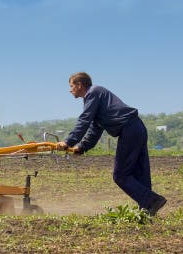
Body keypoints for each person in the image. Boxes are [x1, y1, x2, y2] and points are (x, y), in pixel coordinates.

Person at [57, 72, 167, 216]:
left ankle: (152, 201)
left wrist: (68, 141)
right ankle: (147, 211)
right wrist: (82, 147)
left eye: (71, 86)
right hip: (137, 127)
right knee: (139, 172)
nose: (70, 90)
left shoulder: (93, 93)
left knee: (120, 175)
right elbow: (95, 129)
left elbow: (84, 120)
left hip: (130, 129)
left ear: (79, 85)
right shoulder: (97, 96)